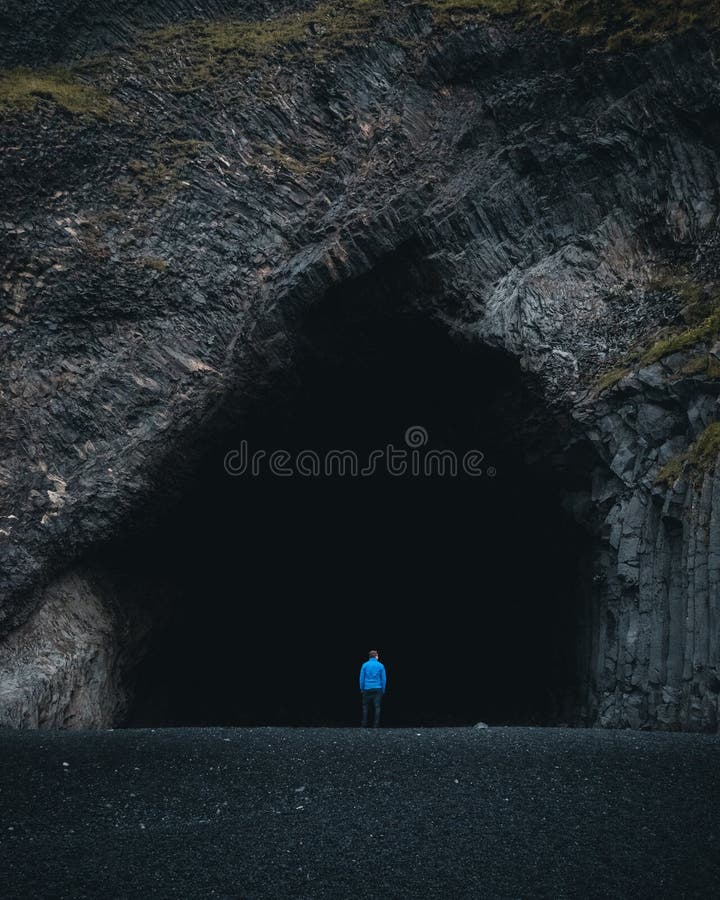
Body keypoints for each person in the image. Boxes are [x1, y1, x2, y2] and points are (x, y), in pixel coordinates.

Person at [359, 650, 386, 728]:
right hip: (378, 688)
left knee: (365, 707)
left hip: (367, 688)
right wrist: (383, 690)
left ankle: (364, 724)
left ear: (369, 656)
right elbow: (384, 679)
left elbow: (361, 678)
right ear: (376, 656)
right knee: (377, 707)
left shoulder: (364, 665)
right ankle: (376, 725)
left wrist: (361, 688)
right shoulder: (381, 665)